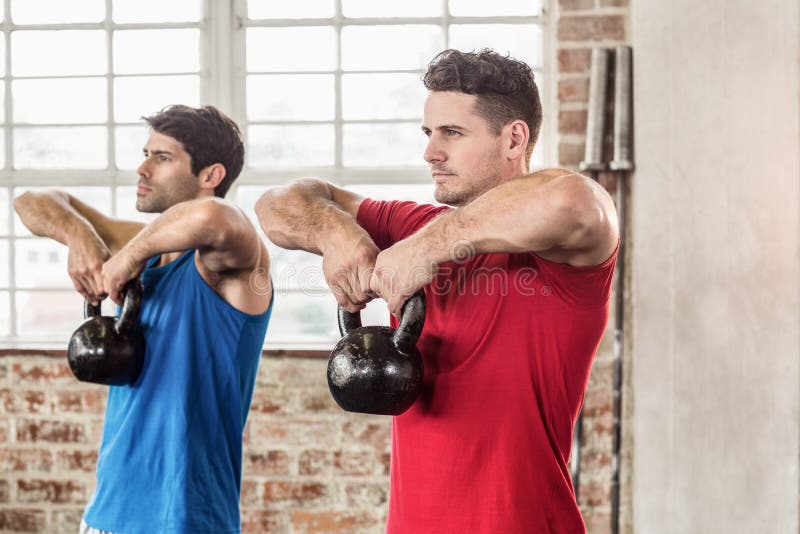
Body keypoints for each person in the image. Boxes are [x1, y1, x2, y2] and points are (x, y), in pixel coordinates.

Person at [255, 49, 619, 533]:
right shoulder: (416, 223)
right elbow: (276, 205)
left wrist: (423, 251)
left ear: (514, 138)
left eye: (452, 132)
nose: (431, 152)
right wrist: (335, 235)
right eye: (429, 133)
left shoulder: (559, 256)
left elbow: (574, 200)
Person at [14, 105, 273, 534]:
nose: (143, 168)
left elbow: (215, 217)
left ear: (211, 176)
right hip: (104, 515)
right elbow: (33, 202)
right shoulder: (149, 245)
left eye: (163, 157)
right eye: (146, 153)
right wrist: (81, 238)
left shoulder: (233, 263)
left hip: (183, 520)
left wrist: (127, 257)